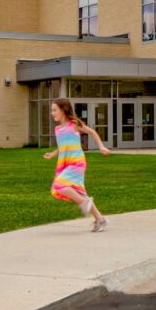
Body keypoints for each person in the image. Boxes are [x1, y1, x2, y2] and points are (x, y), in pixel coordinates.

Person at [45, 98, 112, 232]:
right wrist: (53, 153)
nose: (52, 113)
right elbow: (63, 145)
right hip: (65, 162)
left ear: (63, 110)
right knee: (79, 192)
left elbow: (92, 132)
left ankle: (83, 202)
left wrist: (101, 147)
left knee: (59, 185)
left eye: (54, 110)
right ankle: (100, 219)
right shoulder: (57, 129)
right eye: (52, 110)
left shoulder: (74, 124)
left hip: (76, 162)